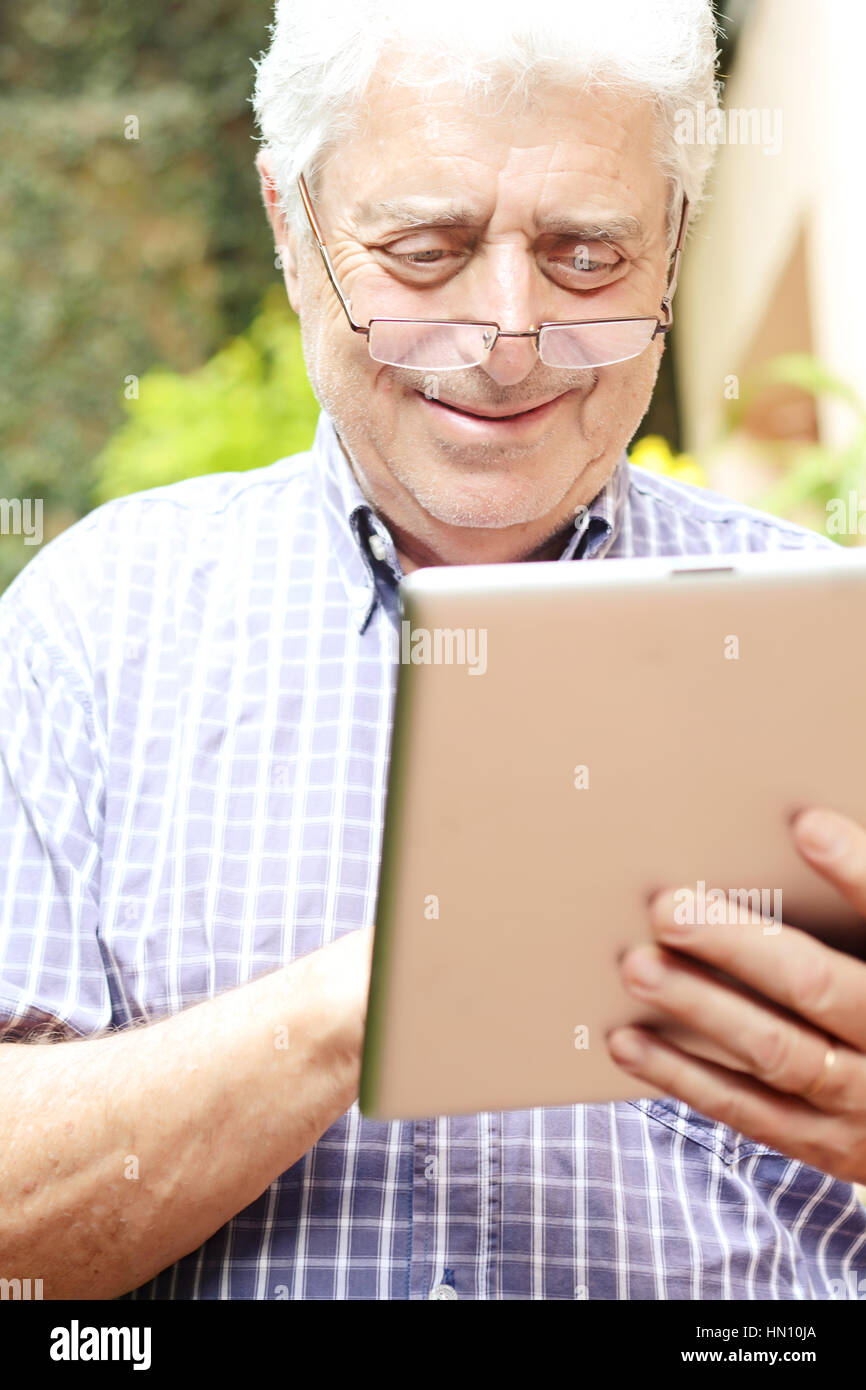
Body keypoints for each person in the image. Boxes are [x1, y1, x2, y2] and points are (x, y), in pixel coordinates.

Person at [1, 0, 864, 1301]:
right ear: (290, 223)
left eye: (586, 256)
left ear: (675, 243)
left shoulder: (836, 648)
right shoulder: (88, 629)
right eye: (423, 252)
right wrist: (389, 989)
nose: (507, 336)